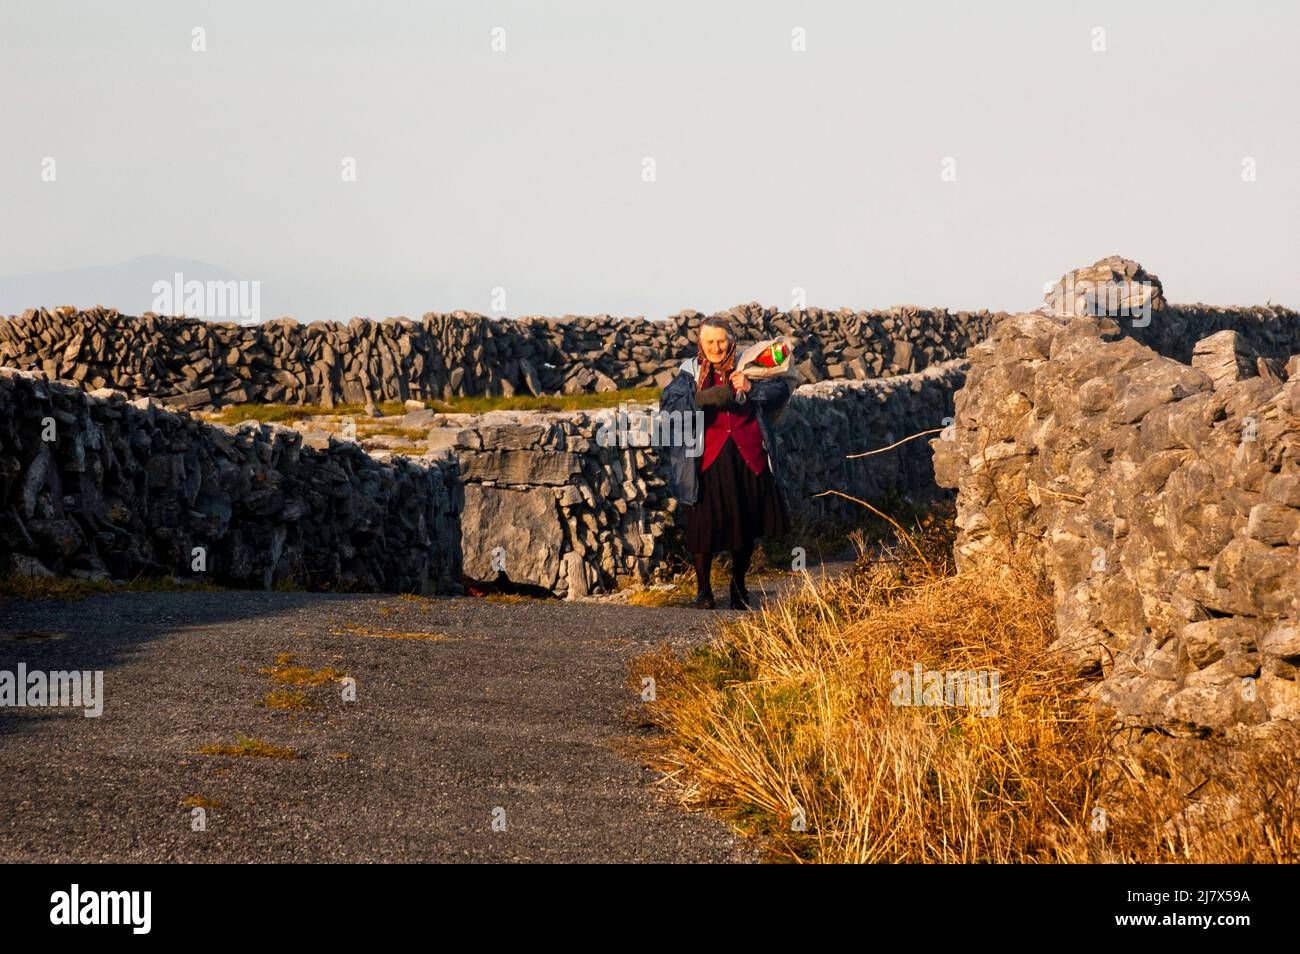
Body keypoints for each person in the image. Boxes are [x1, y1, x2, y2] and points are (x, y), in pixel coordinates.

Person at [659, 317, 792, 609]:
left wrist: (751, 387)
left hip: (747, 457)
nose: (716, 348)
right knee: (702, 527)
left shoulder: (749, 363)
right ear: (700, 343)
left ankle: (738, 587)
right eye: (710, 342)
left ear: (730, 341)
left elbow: (781, 389)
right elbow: (669, 402)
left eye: (721, 341)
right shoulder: (689, 372)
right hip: (707, 461)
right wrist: (701, 399)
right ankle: (704, 591)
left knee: (744, 525)